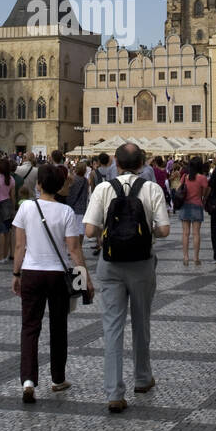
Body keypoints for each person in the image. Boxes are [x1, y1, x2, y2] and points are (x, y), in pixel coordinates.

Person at [83, 144, 172, 413]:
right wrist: (148, 229)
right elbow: (165, 230)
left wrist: (107, 230)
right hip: (142, 264)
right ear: (142, 164)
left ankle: (114, 391)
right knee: (141, 321)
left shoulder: (103, 189)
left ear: (116, 164)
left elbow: (89, 231)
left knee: (112, 326)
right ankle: (143, 378)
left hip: (110, 265)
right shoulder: (151, 188)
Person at [13, 162, 90, 402]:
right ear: (59, 186)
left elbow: (19, 246)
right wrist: (86, 278)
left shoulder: (26, 208)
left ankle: (28, 381)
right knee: (58, 328)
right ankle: (57, 378)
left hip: (32, 273)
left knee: (29, 327)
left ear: (38, 184)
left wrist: (16, 274)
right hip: (57, 274)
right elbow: (74, 249)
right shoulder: (66, 212)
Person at [179, 157, 209, 266]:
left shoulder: (185, 176)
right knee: (196, 233)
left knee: (185, 233)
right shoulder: (202, 178)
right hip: (197, 205)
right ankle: (196, 258)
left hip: (185, 206)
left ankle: (185, 257)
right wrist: (203, 198)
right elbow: (205, 192)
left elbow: (179, 189)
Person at [0, 157, 17, 264]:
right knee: (7, 231)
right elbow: (13, 195)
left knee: (1, 231)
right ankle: (5, 254)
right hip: (8, 204)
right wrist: (13, 208)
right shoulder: (11, 179)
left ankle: (1, 257)